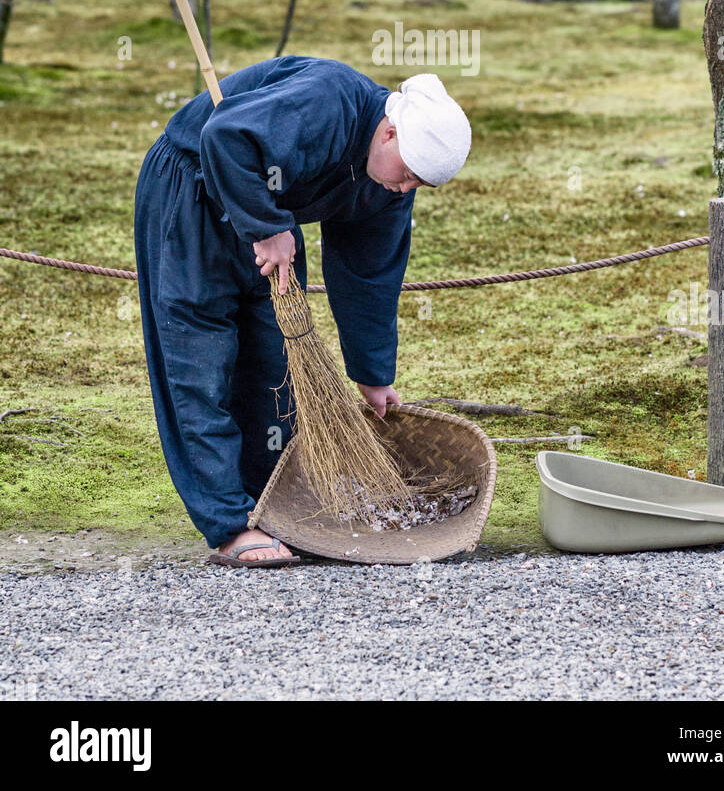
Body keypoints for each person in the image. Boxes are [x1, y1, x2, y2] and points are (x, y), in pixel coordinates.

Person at [134, 57, 472, 567]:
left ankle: (269, 507)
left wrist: (372, 372)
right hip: (195, 192)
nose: (406, 189)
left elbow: (370, 274)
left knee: (274, 362)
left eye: (419, 185)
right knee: (198, 364)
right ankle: (228, 523)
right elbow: (225, 136)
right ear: (389, 133)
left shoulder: (390, 184)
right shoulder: (327, 100)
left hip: (269, 220)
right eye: (407, 173)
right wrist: (265, 225)